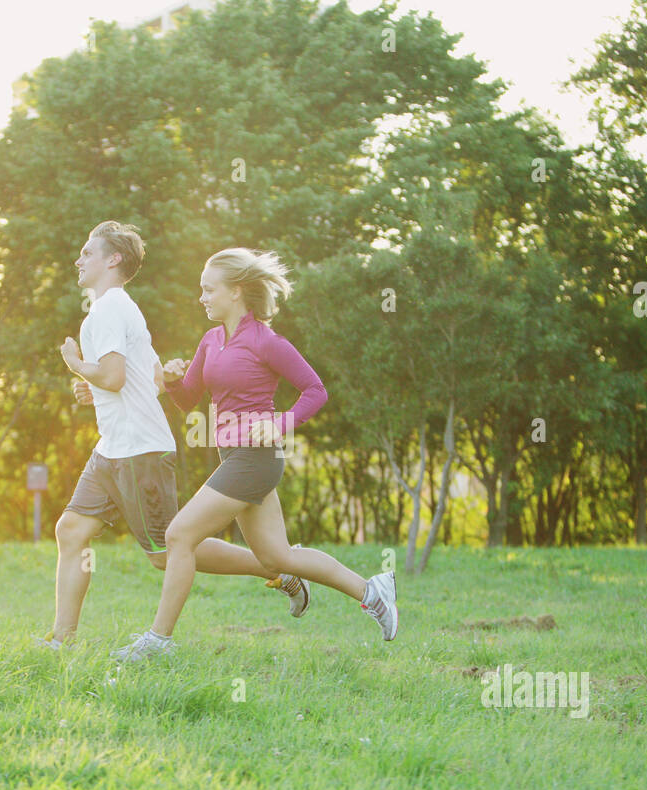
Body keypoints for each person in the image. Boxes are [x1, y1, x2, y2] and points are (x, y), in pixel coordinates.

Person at [111, 247, 399, 664]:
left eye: (209, 289)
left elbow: (315, 391)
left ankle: (158, 642)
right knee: (276, 558)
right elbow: (189, 399)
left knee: (178, 536)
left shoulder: (266, 340)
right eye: (201, 290)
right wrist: (173, 380)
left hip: (257, 458)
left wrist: (281, 423)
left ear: (236, 291)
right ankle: (373, 591)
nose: (202, 297)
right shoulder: (211, 340)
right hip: (233, 457)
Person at [42, 222, 309, 649]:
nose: (79, 259)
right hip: (112, 445)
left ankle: (275, 569)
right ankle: (61, 640)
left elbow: (112, 375)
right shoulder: (108, 309)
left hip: (140, 448)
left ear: (113, 259)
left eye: (87, 252)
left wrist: (76, 364)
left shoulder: (112, 307)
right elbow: (133, 379)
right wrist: (91, 388)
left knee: (167, 554)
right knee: (71, 530)